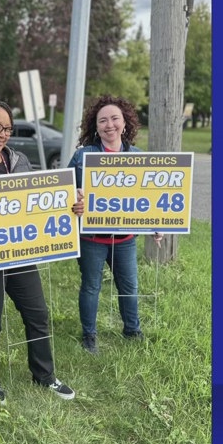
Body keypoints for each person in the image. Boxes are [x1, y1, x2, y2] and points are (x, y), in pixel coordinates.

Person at [0, 99, 78, 404]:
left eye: (7, 127)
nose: (3, 133)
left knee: (38, 313)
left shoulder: (20, 162)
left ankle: (44, 375)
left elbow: (39, 200)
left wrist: (72, 204)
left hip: (19, 254)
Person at [66, 94, 164, 355]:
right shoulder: (83, 156)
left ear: (125, 122)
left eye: (114, 119)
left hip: (125, 239)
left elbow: (149, 199)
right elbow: (63, 191)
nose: (109, 125)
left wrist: (158, 223)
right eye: (102, 121)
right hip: (92, 238)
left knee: (129, 286)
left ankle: (132, 330)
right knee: (91, 286)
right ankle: (89, 336)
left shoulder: (138, 156)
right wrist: (75, 200)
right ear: (95, 126)